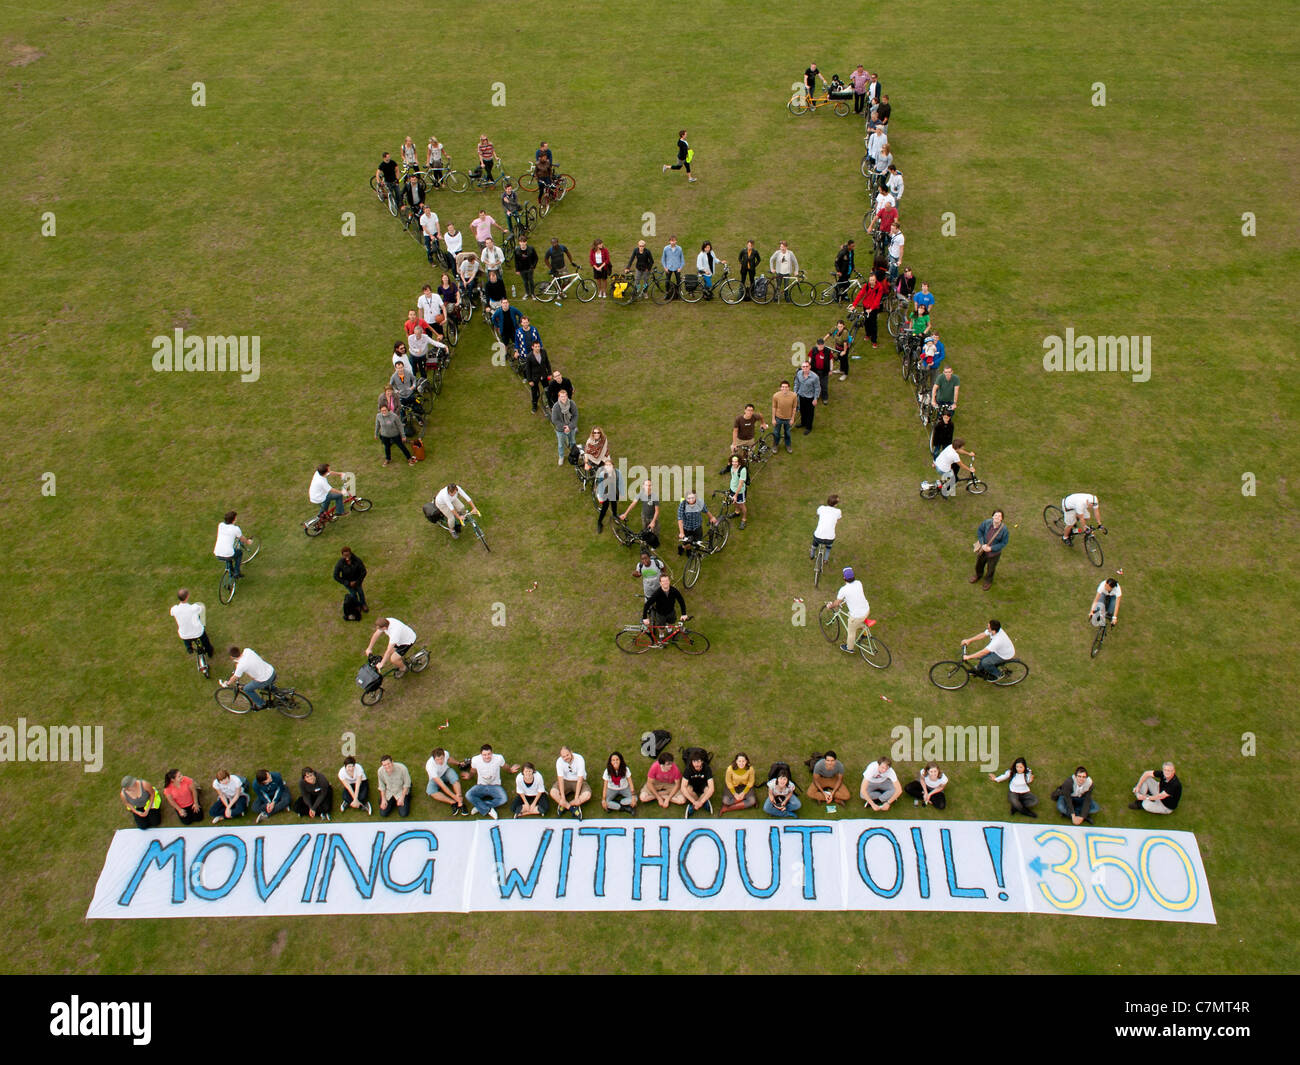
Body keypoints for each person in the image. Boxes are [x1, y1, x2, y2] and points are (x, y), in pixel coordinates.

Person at [466, 744, 520, 820]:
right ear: (481, 754)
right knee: (469, 795)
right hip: (481, 785)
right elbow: (473, 770)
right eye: (484, 755)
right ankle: (489, 809)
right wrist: (469, 776)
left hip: (495, 785)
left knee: (503, 799)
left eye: (489, 754)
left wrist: (510, 770)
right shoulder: (475, 760)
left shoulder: (499, 758)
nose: (487, 756)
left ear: (492, 753)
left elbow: (504, 766)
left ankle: (480, 806)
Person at [828, 566, 871, 654]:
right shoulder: (859, 583)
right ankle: (865, 633)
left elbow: (837, 603)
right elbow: (855, 594)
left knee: (851, 631)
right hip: (866, 610)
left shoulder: (844, 590)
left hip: (857, 615)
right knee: (856, 621)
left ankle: (849, 648)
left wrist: (830, 606)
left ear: (844, 578)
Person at [221, 645, 275, 709]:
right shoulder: (247, 650)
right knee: (262, 683)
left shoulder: (240, 666)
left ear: (231, 657)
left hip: (265, 679)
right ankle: (274, 690)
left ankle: (261, 704)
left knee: (247, 689)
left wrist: (227, 684)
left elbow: (235, 677)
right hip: (271, 671)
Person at [170, 588, 212, 671]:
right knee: (205, 641)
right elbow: (200, 610)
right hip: (198, 632)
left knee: (185, 638)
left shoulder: (175, 609)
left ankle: (189, 648)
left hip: (185, 634)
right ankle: (209, 651)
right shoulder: (194, 607)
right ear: (187, 597)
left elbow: (171, 613)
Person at [642, 573, 687, 646]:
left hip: (671, 612)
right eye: (663, 581)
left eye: (666, 580)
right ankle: (661, 636)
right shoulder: (657, 593)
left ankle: (669, 630)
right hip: (660, 614)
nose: (665, 583)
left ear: (669, 581)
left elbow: (681, 601)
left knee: (671, 623)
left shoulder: (674, 590)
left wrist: (684, 613)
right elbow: (647, 604)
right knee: (661, 627)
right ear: (660, 583)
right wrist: (644, 617)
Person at [971, 509, 1010, 590]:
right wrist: (982, 543)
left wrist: (991, 548)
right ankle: (978, 575)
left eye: (999, 516)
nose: (997, 517)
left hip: (994, 554)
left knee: (991, 568)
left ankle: (988, 581)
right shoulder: (986, 523)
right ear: (992, 516)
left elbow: (1003, 543)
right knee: (979, 564)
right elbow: (980, 531)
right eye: (996, 515)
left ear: (1002, 519)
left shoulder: (1004, 530)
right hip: (983, 550)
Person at [550, 746, 591, 819]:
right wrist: (562, 797)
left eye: (567, 755)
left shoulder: (579, 759)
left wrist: (576, 797)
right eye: (563, 756)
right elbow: (560, 779)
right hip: (565, 781)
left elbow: (580, 779)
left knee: (587, 795)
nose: (566, 758)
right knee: (553, 792)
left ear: (571, 752)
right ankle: (571, 808)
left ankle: (564, 805)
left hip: (578, 781)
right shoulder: (559, 761)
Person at [620, 478, 661, 545]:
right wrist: (625, 514)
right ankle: (646, 540)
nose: (648, 487)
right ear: (643, 486)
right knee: (645, 530)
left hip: (653, 518)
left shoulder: (655, 496)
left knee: (655, 531)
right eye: (646, 485)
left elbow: (657, 511)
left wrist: (653, 522)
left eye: (650, 485)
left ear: (652, 486)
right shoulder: (641, 494)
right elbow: (633, 504)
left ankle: (655, 543)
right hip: (644, 516)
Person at [425, 748, 467, 814]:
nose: (440, 761)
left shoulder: (446, 753)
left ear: (444, 755)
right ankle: (453, 802)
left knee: (455, 779)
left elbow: (449, 759)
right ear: (433, 759)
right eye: (437, 760)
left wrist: (459, 763)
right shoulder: (430, 767)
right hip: (436, 778)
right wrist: (454, 797)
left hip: (446, 771)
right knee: (431, 791)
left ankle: (460, 802)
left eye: (442, 758)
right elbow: (442, 786)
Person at [851, 272, 887, 349]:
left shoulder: (879, 288)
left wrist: (871, 309)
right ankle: (868, 334)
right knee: (866, 321)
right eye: (870, 280)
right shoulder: (867, 286)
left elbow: (877, 300)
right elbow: (860, 294)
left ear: (875, 280)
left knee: (873, 324)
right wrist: (854, 305)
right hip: (866, 306)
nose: (871, 282)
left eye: (873, 280)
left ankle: (874, 341)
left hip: (873, 309)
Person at [213, 510, 251, 579]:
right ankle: (237, 572)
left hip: (217, 552)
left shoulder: (220, 525)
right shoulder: (235, 529)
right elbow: (242, 539)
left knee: (229, 555)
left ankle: (231, 570)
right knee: (239, 553)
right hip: (228, 553)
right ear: (233, 520)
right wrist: (248, 542)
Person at [374, 402, 414, 467]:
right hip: (384, 435)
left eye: (385, 410)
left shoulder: (394, 416)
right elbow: (377, 425)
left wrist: (403, 435)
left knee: (401, 446)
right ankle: (388, 459)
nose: (383, 412)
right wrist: (376, 434)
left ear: (388, 409)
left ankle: (409, 458)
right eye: (382, 410)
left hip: (395, 435)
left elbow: (400, 426)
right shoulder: (378, 416)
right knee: (387, 447)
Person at [681, 750, 715, 818]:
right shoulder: (688, 769)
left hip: (703, 785)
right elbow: (683, 787)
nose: (696, 764)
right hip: (692, 785)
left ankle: (694, 807)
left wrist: (701, 802)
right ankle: (702, 803)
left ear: (702, 761)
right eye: (694, 762)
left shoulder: (707, 768)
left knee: (708, 789)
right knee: (687, 789)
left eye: (698, 761)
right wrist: (694, 801)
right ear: (691, 762)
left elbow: (712, 788)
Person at [550, 388, 579, 465]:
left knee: (573, 441)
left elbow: (575, 416)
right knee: (561, 444)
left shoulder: (572, 403)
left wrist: (569, 427)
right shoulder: (556, 407)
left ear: (567, 396)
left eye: (565, 396)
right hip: (560, 430)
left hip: (571, 427)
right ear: (559, 397)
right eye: (562, 396)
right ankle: (561, 456)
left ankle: (573, 454)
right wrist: (564, 427)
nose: (564, 398)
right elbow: (554, 420)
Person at [810, 494, 841, 565]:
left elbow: (818, 514)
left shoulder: (821, 508)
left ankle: (812, 554)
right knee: (828, 547)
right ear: (835, 504)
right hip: (829, 538)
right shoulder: (838, 511)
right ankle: (825, 559)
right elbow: (838, 518)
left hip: (818, 536)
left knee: (815, 542)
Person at [595, 458, 623, 534]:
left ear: (613, 466)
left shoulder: (617, 473)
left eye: (609, 465)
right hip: (605, 492)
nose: (607, 466)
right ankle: (599, 522)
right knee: (605, 508)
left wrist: (621, 493)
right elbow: (600, 486)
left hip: (613, 491)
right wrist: (600, 497)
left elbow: (620, 483)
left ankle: (615, 516)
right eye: (606, 465)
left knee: (614, 504)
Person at [523, 340, 551, 413]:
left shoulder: (543, 352)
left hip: (544, 375)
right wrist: (529, 380)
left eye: (538, 346)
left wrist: (550, 373)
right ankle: (534, 405)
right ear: (532, 347)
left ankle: (550, 403)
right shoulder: (529, 356)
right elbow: (528, 369)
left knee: (547, 389)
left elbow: (547, 362)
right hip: (534, 377)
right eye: (536, 347)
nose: (538, 348)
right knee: (535, 392)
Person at [794, 360, 821, 433]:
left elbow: (817, 388)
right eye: (803, 366)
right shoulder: (799, 373)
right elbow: (796, 383)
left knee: (810, 413)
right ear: (801, 367)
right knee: (802, 411)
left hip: (810, 398)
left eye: (806, 366)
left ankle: (809, 427)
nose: (805, 368)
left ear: (810, 367)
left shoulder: (815, 377)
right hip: (801, 396)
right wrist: (795, 393)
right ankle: (803, 423)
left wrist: (815, 399)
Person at [771, 379, 797, 454]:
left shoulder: (794, 396)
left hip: (788, 419)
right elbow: (774, 407)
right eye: (782, 387)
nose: (784, 388)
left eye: (786, 387)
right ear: (780, 388)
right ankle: (775, 445)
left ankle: (788, 445)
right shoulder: (776, 396)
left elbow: (794, 408)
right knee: (776, 433)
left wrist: (792, 419)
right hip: (778, 418)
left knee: (787, 433)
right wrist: (773, 419)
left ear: (789, 388)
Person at [726, 455, 750, 529]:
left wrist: (736, 495)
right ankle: (737, 512)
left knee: (742, 505)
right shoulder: (732, 467)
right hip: (732, 489)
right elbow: (733, 478)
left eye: (736, 462)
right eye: (733, 461)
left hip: (739, 492)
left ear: (739, 462)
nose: (734, 463)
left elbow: (740, 484)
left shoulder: (742, 470)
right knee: (735, 502)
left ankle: (744, 519)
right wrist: (731, 489)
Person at [809, 337, 834, 405]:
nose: (821, 348)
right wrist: (809, 368)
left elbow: (831, 361)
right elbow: (810, 359)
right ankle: (815, 396)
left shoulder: (828, 351)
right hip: (814, 371)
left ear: (824, 345)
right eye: (819, 346)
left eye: (822, 346)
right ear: (817, 345)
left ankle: (824, 397)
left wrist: (831, 370)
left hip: (824, 372)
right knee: (814, 384)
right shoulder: (813, 350)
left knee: (824, 385)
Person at [514, 236, 539, 300]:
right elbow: (516, 260)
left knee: (531, 281)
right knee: (525, 281)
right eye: (521, 242)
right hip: (522, 269)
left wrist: (533, 266)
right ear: (519, 243)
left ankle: (533, 293)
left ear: (526, 242)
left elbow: (536, 258)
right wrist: (517, 270)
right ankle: (527, 293)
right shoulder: (516, 250)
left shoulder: (531, 249)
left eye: (524, 242)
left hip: (529, 268)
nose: (522, 243)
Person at [661, 236, 685, 301]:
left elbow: (682, 260)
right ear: (669, 241)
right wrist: (665, 267)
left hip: (677, 268)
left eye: (674, 241)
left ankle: (679, 293)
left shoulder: (679, 249)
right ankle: (667, 294)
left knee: (679, 282)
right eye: (672, 241)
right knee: (667, 281)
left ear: (676, 241)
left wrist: (680, 268)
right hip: (668, 268)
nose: (673, 242)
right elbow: (663, 259)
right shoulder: (666, 248)